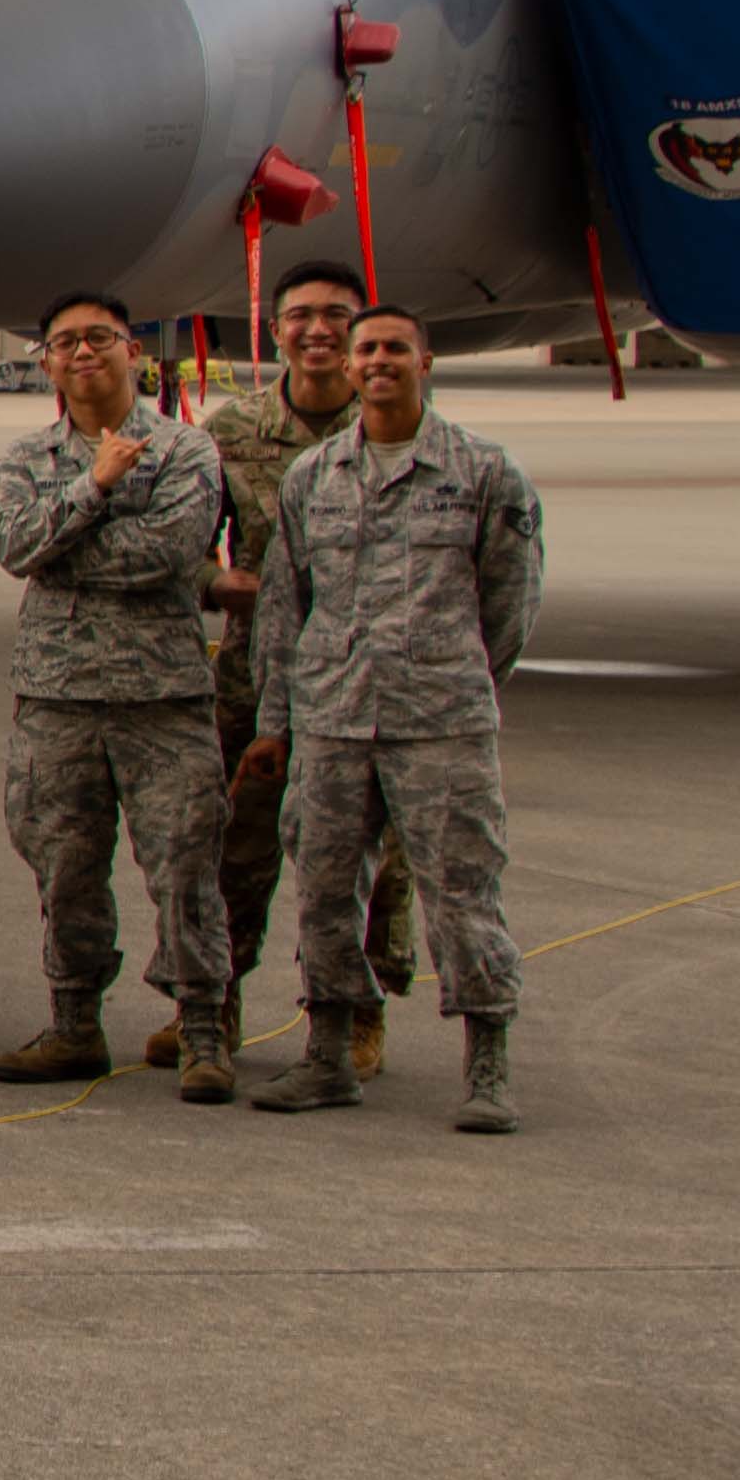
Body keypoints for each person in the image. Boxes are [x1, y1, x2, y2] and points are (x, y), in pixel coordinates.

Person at [239, 304, 541, 1126]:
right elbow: (284, 606)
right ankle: (328, 1055)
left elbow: (510, 600)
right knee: (324, 890)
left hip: (440, 723)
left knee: (463, 892)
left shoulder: (483, 471)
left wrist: (457, 677)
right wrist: (276, 721)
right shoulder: (314, 477)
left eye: (395, 348)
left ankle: (487, 1066)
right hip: (332, 719)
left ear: (424, 361)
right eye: (366, 349)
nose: (378, 360)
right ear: (349, 366)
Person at [0, 289, 238, 1094]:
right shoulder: (27, 458)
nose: (83, 352)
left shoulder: (186, 451)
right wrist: (91, 489)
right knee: (63, 869)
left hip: (161, 698)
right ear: (47, 364)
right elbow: (12, 545)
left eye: (100, 337)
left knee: (185, 868)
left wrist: (62, 549)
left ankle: (204, 1031)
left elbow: (168, 554)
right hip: (58, 699)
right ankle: (74, 1025)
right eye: (65, 342)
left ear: (135, 352)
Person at [198, 264, 404, 1062]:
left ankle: (356, 1010)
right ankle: (213, 1005)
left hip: (370, 680)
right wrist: (216, 583)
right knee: (233, 850)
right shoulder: (232, 430)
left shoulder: (396, 422)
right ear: (276, 328)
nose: (318, 331)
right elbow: (181, 538)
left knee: (371, 859)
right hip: (256, 678)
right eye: (301, 316)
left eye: (337, 316)